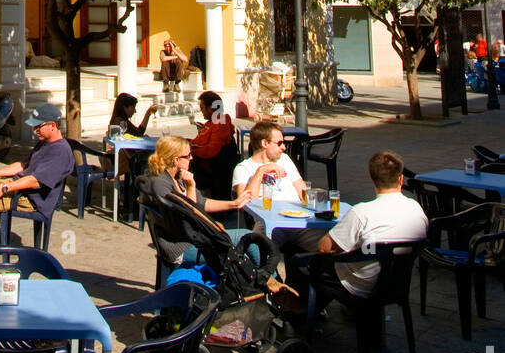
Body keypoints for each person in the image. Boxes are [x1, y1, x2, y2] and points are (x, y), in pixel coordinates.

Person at [287, 150, 428, 308]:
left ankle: (299, 313)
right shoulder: (417, 209)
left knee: (299, 261)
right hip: (397, 283)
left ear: (373, 179)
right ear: (401, 179)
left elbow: (324, 247)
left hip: (361, 285)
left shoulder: (362, 212)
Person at [138, 135, 252, 268]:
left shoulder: (177, 177)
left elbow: (201, 202)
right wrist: (191, 187)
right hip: (183, 247)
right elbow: (191, 215)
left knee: (248, 243)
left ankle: (265, 282)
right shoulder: (161, 185)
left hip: (195, 239)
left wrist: (233, 204)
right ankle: (266, 283)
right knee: (248, 239)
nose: (191, 158)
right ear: (176, 160)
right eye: (188, 155)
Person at [0, 103, 74, 222]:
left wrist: (4, 188)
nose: (34, 130)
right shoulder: (45, 142)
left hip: (30, 198)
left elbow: (36, 181)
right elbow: (22, 165)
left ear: (52, 125)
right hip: (17, 187)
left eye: (38, 126)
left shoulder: (60, 152)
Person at [231, 120, 305, 202]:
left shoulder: (284, 158)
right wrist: (261, 171)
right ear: (265, 143)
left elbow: (301, 189)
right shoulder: (243, 168)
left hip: (295, 211)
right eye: (279, 143)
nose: (284, 147)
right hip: (266, 212)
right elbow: (246, 203)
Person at [189, 90, 238, 197]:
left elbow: (212, 150)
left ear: (210, 109)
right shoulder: (211, 123)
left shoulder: (221, 123)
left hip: (209, 170)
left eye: (202, 108)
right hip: (203, 165)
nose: (201, 111)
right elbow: (197, 141)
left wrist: (191, 151)